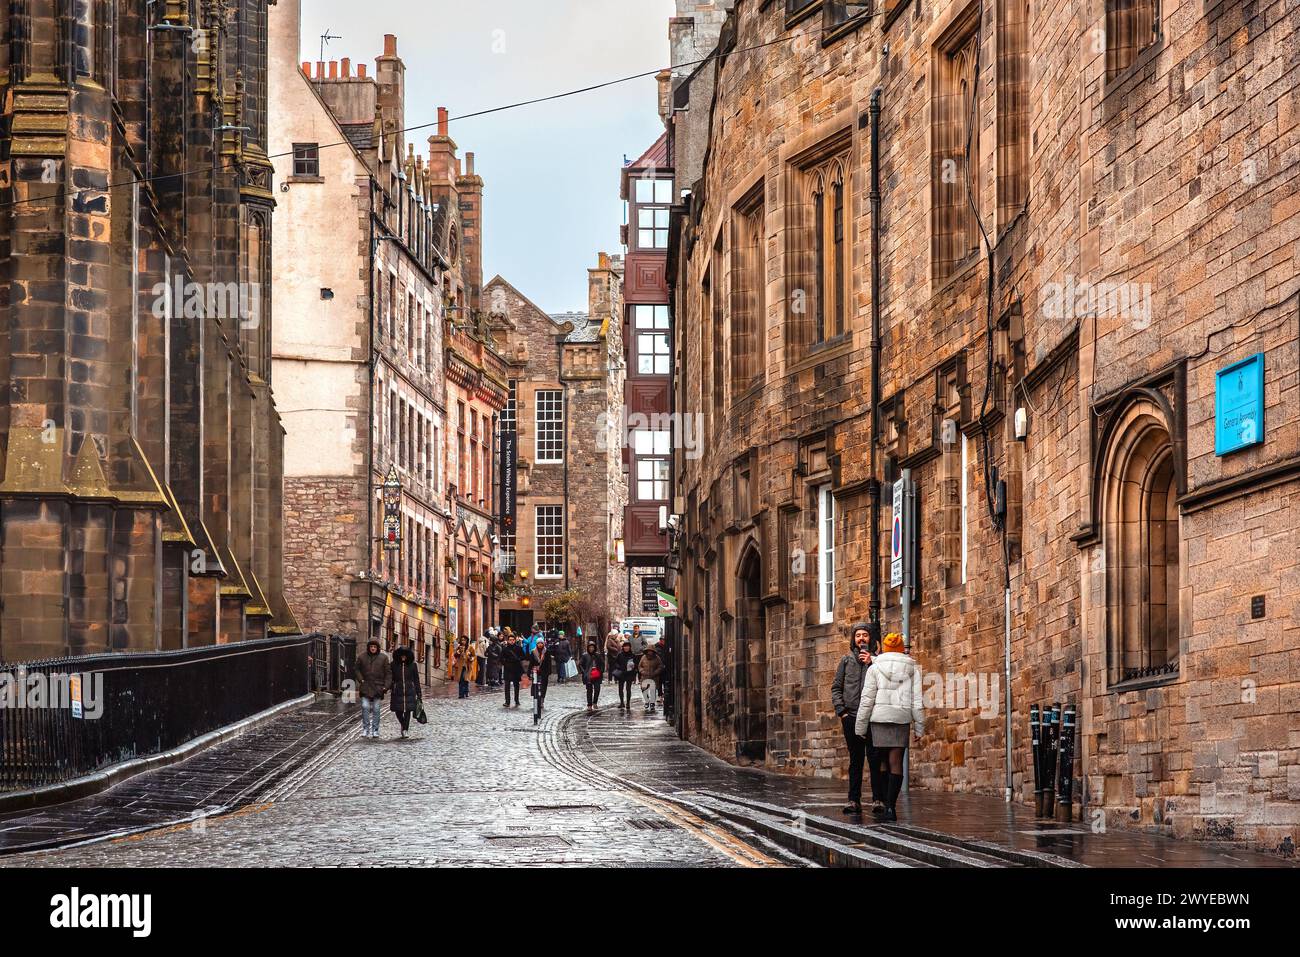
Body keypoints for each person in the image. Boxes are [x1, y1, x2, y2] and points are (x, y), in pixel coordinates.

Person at [854, 631, 924, 822]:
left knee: (882, 761)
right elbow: (917, 701)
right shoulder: (913, 669)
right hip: (900, 719)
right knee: (896, 762)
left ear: (884, 648)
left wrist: (860, 727)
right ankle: (891, 807)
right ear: (902, 649)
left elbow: (867, 700)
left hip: (879, 719)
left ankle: (884, 801)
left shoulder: (875, 668)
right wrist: (919, 727)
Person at [832, 622, 881, 815]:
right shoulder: (846, 661)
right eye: (858, 635)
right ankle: (854, 801)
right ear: (853, 639)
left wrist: (872, 662)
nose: (861, 638)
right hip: (851, 716)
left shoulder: (879, 662)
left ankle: (878, 799)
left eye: (865, 635)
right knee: (856, 760)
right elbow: (836, 687)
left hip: (873, 717)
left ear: (872, 639)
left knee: (875, 759)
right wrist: (842, 712)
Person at [354, 638, 391, 739]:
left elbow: (388, 673)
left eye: (374, 647)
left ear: (377, 648)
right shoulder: (362, 657)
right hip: (365, 686)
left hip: (378, 687)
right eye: (371, 647)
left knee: (376, 709)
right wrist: (361, 680)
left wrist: (386, 686)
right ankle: (366, 728)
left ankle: (375, 729)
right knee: (365, 706)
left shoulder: (383, 658)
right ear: (369, 647)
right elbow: (356, 669)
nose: (373, 648)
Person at [389, 643, 422, 738]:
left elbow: (416, 679)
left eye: (405, 655)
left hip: (409, 690)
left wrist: (418, 691)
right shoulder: (393, 665)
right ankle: (403, 724)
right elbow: (390, 677)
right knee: (398, 711)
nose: (403, 657)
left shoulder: (413, 665)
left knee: (408, 711)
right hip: (397, 691)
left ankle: (405, 730)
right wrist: (391, 686)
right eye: (402, 655)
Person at [500, 632, 528, 708]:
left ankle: (517, 700)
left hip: (516, 668)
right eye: (510, 640)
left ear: (515, 640)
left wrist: (518, 659)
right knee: (507, 686)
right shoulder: (505, 649)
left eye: (513, 640)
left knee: (516, 685)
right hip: (508, 669)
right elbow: (501, 658)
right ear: (508, 640)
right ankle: (507, 701)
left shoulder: (518, 648)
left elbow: (523, 656)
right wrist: (506, 663)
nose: (511, 641)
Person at [638, 642, 664, 714]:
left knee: (652, 691)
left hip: (654, 677)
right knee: (644, 690)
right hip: (644, 677)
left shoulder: (657, 658)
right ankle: (647, 701)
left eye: (651, 651)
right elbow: (640, 666)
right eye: (648, 651)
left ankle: (652, 703)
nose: (649, 652)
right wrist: (642, 671)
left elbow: (660, 666)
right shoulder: (643, 657)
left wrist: (655, 672)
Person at [531, 636, 554, 714]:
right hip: (536, 672)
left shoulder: (546, 651)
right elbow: (531, 662)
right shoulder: (533, 652)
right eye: (538, 643)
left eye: (541, 643)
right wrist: (529, 672)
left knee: (543, 686)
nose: (540, 645)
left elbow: (549, 662)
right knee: (535, 686)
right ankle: (535, 700)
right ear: (536, 644)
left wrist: (549, 671)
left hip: (544, 671)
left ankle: (541, 701)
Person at [579, 640, 604, 713]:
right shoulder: (585, 655)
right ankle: (589, 704)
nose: (591, 649)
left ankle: (595, 702)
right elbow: (580, 664)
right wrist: (584, 672)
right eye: (590, 647)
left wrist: (601, 671)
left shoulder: (598, 655)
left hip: (597, 675)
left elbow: (602, 664)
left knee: (597, 689)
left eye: (592, 647)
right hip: (588, 675)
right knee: (589, 690)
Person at [611, 639, 637, 711]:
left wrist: (633, 668)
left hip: (629, 674)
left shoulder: (633, 655)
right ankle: (622, 702)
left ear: (630, 647)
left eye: (628, 646)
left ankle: (628, 703)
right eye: (625, 646)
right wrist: (618, 667)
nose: (626, 648)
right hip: (621, 673)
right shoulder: (620, 655)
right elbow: (615, 662)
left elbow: (636, 664)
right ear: (623, 647)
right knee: (620, 688)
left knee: (628, 689)